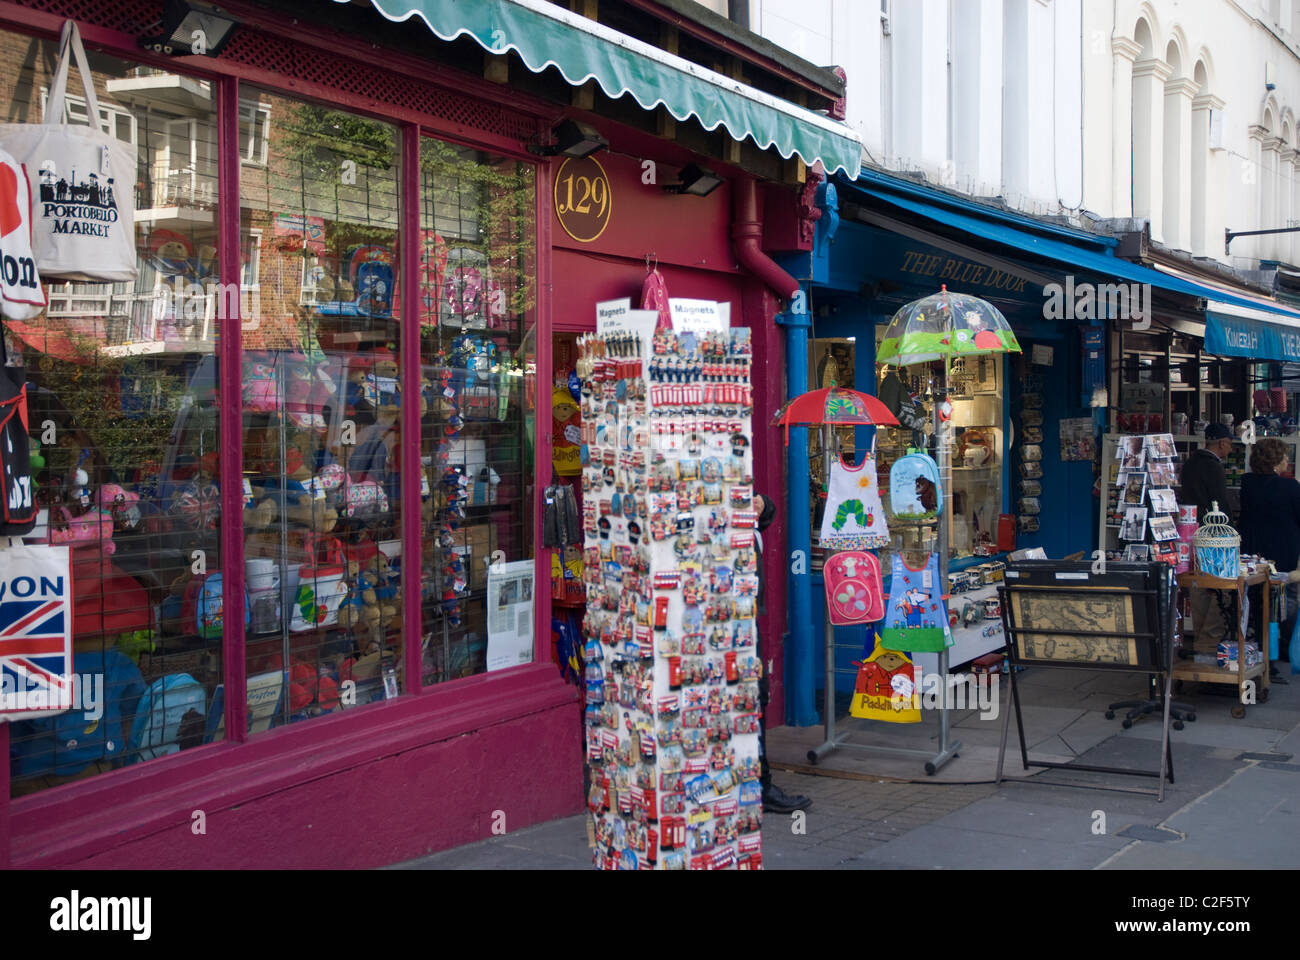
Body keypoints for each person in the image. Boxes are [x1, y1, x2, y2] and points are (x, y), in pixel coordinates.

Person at [754, 492, 812, 814]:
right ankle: (757, 785)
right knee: (753, 698)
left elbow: (767, 514)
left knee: (757, 698)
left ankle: (760, 784)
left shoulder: (740, 505)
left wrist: (761, 500)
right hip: (733, 622)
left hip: (746, 621)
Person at [1237, 438, 1299, 683]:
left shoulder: (1247, 483)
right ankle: (1275, 655)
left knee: (1257, 603)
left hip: (1253, 553)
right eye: (1284, 456)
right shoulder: (1290, 487)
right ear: (1275, 461)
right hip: (1282, 554)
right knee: (1283, 603)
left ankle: (1263, 654)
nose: (1287, 460)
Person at [1179, 424, 1234, 652]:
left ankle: (1200, 637)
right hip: (1213, 536)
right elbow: (1220, 502)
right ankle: (1209, 641)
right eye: (1230, 444)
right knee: (1221, 587)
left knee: (1198, 584)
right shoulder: (1214, 467)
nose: (1230, 449)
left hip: (1189, 531)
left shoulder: (1190, 464)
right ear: (1222, 443)